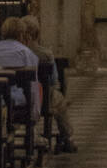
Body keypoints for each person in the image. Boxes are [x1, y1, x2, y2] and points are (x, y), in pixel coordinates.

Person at [20, 15, 77, 153]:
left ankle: (35, 134)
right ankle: (67, 137)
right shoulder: (45, 54)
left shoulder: (17, 52)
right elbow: (53, 80)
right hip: (42, 99)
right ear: (38, 34)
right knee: (60, 101)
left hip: (16, 98)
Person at [0, 16, 40, 120]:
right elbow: (33, 84)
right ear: (21, 34)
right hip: (16, 100)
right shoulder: (25, 53)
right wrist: (34, 112)